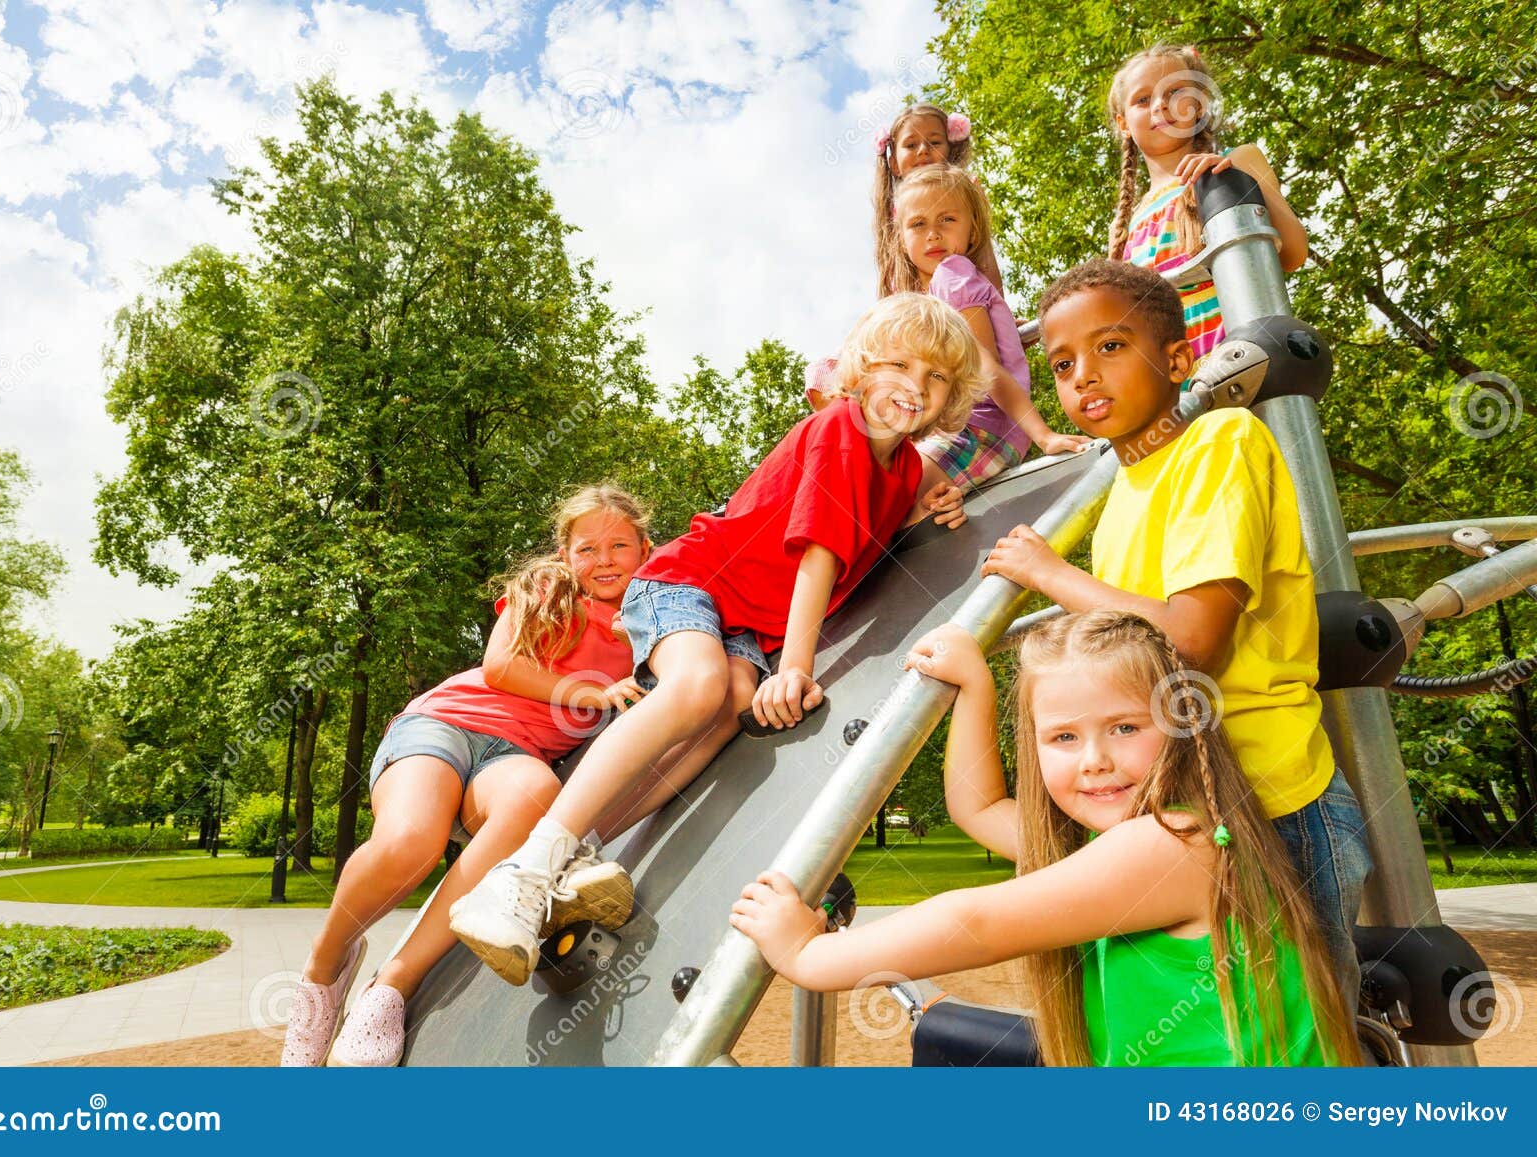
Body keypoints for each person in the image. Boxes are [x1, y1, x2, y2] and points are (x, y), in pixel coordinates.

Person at [448, 292, 984, 986]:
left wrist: (937, 496)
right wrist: (794, 668)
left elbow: (903, 503)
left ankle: (580, 850)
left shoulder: (907, 470)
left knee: (729, 702)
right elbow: (819, 550)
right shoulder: (838, 429)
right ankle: (528, 862)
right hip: (690, 585)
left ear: (949, 399)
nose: (915, 386)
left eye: (936, 378)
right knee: (700, 686)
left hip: (745, 632)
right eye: (899, 365)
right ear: (859, 369)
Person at [981, 259, 1372, 1006]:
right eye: (1062, 364)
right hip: (1183, 805)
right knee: (1215, 1031)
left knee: (1303, 1031)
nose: (1084, 376)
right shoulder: (1122, 495)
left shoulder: (1219, 440)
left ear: (1177, 357)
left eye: (1110, 347)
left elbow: (1192, 642)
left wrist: (1051, 575)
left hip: (1272, 798)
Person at [733, 612, 1362, 1066]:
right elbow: (978, 809)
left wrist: (809, 960)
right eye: (1063, 736)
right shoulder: (1150, 845)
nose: (1093, 760)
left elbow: (976, 921)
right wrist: (975, 687)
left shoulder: (1174, 843)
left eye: (1123, 726)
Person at [280, 485, 654, 1067]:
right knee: (411, 841)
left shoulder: (652, 620)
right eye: (587, 548)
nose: (603, 559)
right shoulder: (546, 590)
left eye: (619, 545)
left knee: (538, 795)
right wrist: (589, 691)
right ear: (565, 553)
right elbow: (500, 667)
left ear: (646, 548)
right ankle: (322, 976)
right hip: (445, 723)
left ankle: (392, 985)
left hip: (519, 755)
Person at [883, 164, 1089, 497]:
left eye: (947, 220)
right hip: (974, 430)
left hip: (981, 430)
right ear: (902, 236)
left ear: (972, 230)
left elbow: (985, 366)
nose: (933, 233)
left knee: (890, 496)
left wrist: (1044, 435)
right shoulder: (937, 292)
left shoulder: (953, 275)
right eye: (918, 224)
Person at [1106, 44, 1309, 361]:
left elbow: (1294, 253)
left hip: (1242, 361)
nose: (1159, 105)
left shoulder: (1237, 161)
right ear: (1123, 124)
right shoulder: (1126, 224)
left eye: (1174, 92)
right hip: (1172, 382)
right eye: (1142, 100)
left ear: (1198, 106)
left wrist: (1232, 179)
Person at [872, 102, 1002, 295]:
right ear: (894, 164)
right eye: (910, 145)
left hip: (968, 302)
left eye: (934, 142)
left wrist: (999, 311)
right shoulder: (895, 210)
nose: (923, 150)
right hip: (917, 314)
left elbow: (985, 257)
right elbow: (892, 273)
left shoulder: (965, 192)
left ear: (951, 150)